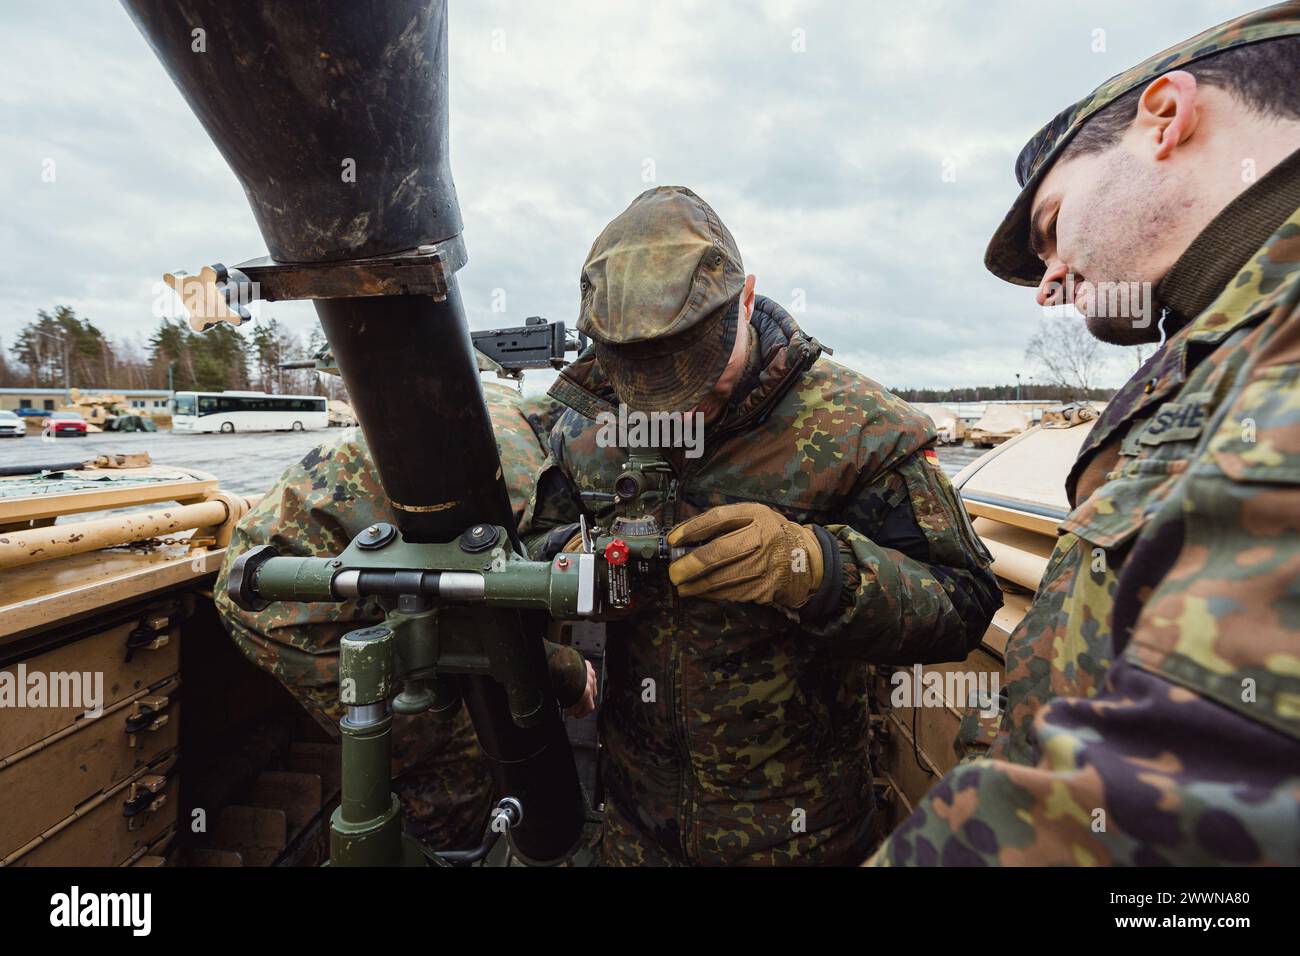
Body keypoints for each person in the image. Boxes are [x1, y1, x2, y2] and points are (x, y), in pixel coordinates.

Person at [870, 3, 1300, 866]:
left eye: (1050, 226)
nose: (1050, 284)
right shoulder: (1220, 343)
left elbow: (1188, 801)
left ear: (1166, 119)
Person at [521, 185, 1002, 865]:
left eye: (699, 380)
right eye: (651, 389)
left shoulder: (859, 427)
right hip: (635, 822)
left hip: (802, 832)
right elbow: (529, 542)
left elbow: (963, 605)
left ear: (746, 300)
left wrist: (813, 568)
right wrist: (570, 561)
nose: (682, 408)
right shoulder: (579, 420)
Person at [215, 376, 594, 851]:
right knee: (452, 750)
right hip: (290, 602)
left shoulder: (501, 408)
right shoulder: (516, 470)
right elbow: (483, 609)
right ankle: (447, 846)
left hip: (315, 571)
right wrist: (569, 672)